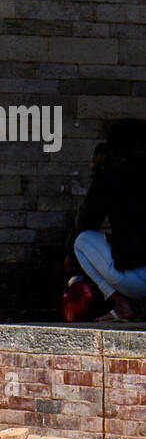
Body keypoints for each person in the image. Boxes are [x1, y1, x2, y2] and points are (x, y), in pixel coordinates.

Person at [69, 120, 146, 321]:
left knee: (82, 242)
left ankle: (120, 305)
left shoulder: (112, 175)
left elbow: (88, 220)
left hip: (137, 278)